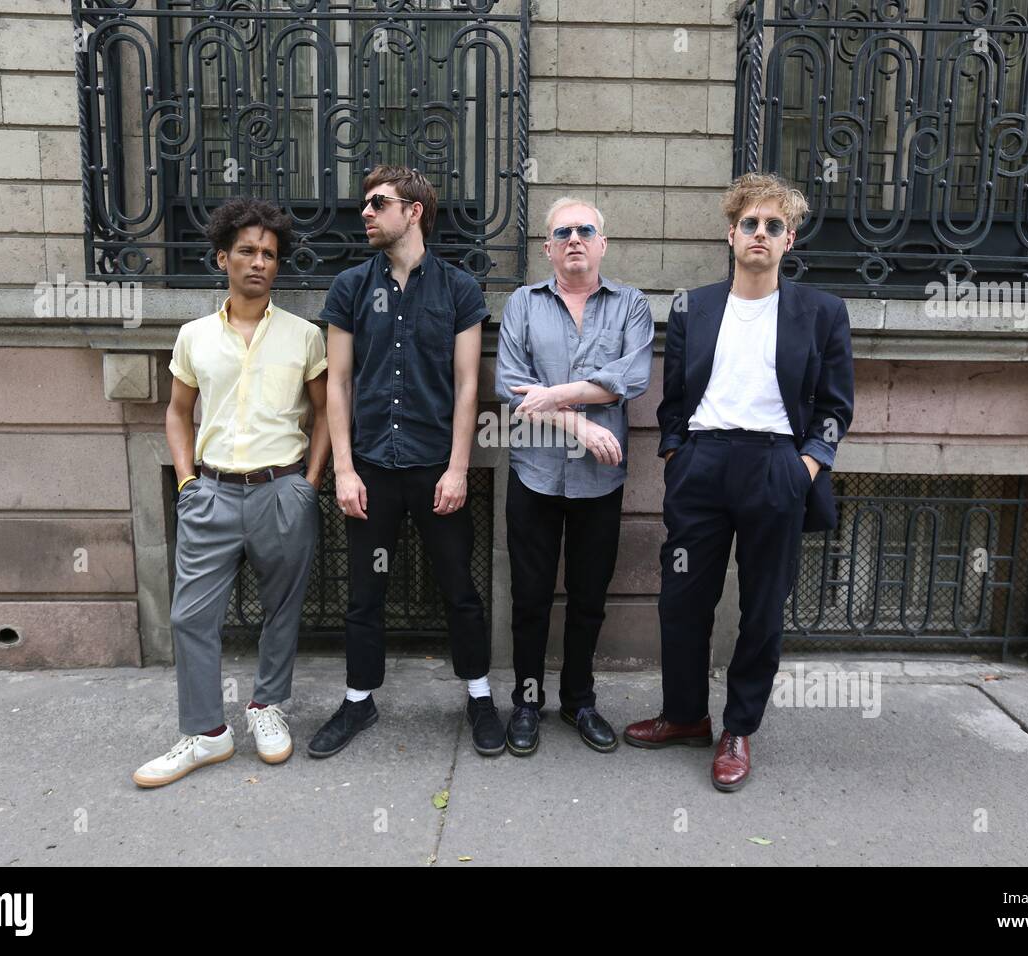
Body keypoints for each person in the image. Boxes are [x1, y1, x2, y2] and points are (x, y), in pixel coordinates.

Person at [624, 172, 855, 792]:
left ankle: (738, 729)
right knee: (682, 599)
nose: (760, 233)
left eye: (773, 226)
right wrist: (676, 454)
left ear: (789, 239)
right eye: (750, 223)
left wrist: (805, 467)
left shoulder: (822, 312)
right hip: (700, 467)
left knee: (762, 609)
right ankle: (685, 715)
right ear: (731, 234)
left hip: (777, 467)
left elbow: (836, 408)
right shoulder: (693, 306)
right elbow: (672, 400)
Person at [134, 197, 330, 788]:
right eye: (246, 250)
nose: (259, 262)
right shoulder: (194, 337)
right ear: (222, 257)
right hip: (211, 494)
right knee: (190, 615)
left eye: (269, 254)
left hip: (281, 490)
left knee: (282, 608)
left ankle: (266, 707)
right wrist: (188, 482)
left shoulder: (304, 337)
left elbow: (325, 415)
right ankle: (205, 734)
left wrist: (309, 485)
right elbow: (176, 413)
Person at [307, 166, 501, 758]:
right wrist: (343, 469)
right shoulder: (349, 287)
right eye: (364, 203)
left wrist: (458, 467)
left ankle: (479, 694)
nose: (364, 212)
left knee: (459, 588)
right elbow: (336, 382)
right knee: (365, 591)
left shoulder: (459, 289)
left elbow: (468, 385)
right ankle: (359, 699)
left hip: (434, 465)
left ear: (413, 210)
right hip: (369, 465)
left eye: (377, 203)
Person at [494, 197, 653, 755]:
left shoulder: (631, 305)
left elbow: (628, 378)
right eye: (563, 232)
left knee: (588, 598)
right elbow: (511, 386)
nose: (575, 239)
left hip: (599, 485)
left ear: (603, 243)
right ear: (548, 247)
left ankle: (579, 702)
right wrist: (579, 425)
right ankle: (527, 702)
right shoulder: (522, 303)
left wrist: (555, 395)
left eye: (586, 230)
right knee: (531, 598)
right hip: (534, 476)